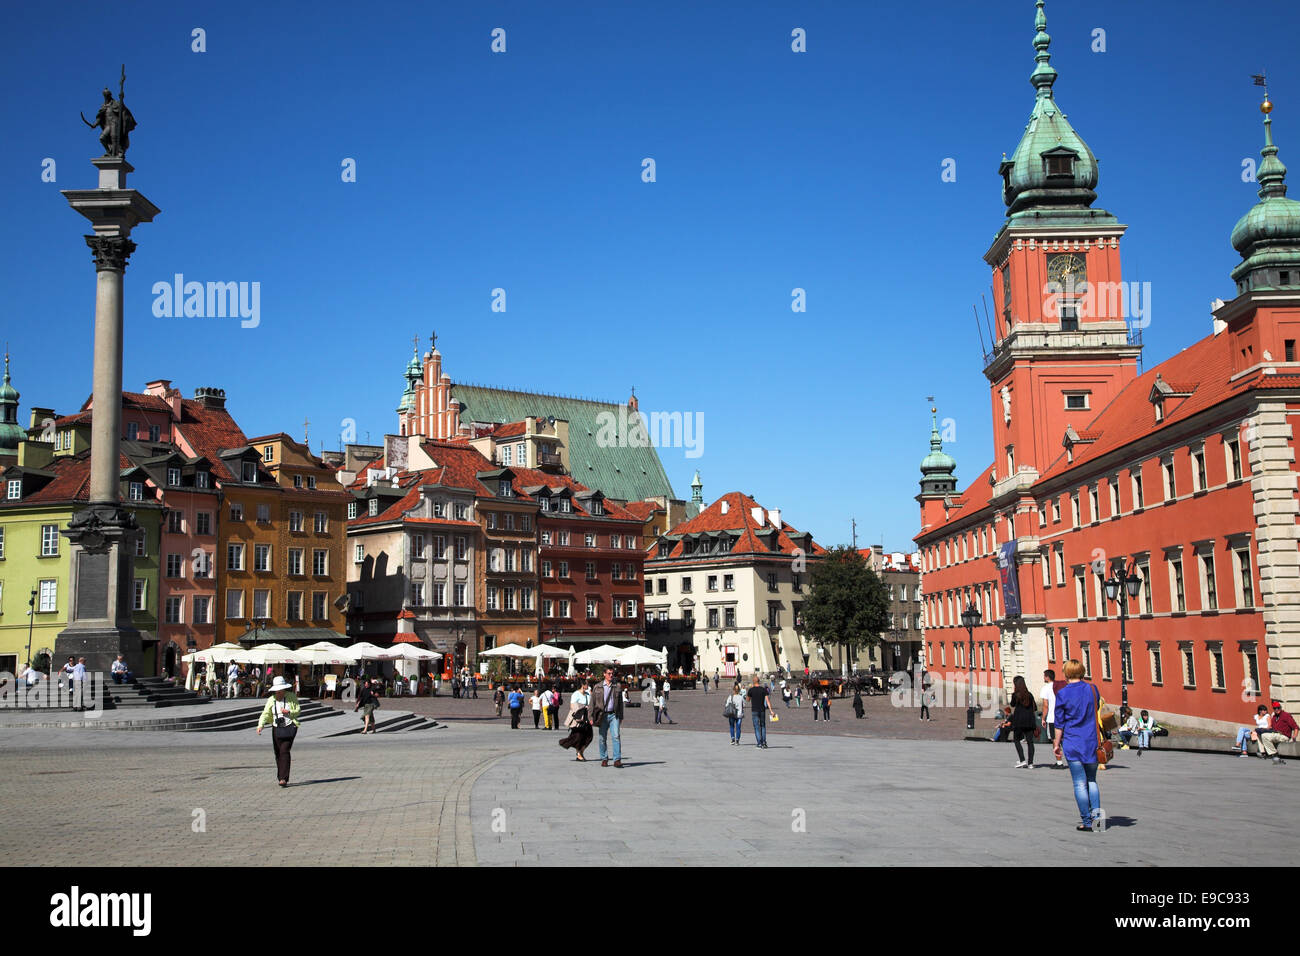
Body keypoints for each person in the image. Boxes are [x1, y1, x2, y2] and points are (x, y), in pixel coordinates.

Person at [1051, 659, 1104, 831]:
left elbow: (1059, 723)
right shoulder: (1092, 689)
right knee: (1092, 781)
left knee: (1079, 783)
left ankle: (1087, 821)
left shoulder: (1063, 694)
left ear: (1066, 673)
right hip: (1091, 741)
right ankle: (1098, 820)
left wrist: (1056, 744)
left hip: (1073, 742)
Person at [256, 675, 301, 787]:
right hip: (277, 727)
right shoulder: (271, 700)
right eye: (277, 691)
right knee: (278, 752)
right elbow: (265, 713)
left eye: (281, 691)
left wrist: (289, 712)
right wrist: (260, 725)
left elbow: (298, 710)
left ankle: (283, 778)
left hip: (290, 726)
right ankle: (280, 775)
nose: (279, 693)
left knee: (284, 750)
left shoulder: (291, 696)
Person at [589, 667, 625, 767]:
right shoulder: (597, 687)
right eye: (609, 673)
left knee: (616, 736)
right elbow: (592, 703)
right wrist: (590, 717)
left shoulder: (617, 686)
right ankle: (604, 758)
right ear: (604, 674)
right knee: (602, 738)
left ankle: (617, 760)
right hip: (602, 715)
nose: (611, 675)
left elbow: (620, 703)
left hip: (614, 715)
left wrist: (621, 716)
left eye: (612, 673)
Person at [559, 680, 593, 760]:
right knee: (579, 736)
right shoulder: (576, 694)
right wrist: (583, 707)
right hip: (579, 719)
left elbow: (591, 705)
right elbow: (572, 706)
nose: (588, 686)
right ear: (583, 685)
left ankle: (581, 752)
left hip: (587, 718)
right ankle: (579, 754)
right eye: (587, 684)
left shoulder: (588, 694)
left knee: (589, 736)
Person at [1010, 676, 1038, 768]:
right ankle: (1031, 763)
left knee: (1016, 740)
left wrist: (1013, 694)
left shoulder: (1016, 695)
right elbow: (1035, 708)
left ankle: (1022, 760)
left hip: (1019, 720)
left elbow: (1012, 704)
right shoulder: (1029, 694)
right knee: (1030, 742)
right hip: (1030, 720)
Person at [1040, 669, 1063, 767]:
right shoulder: (1060, 686)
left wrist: (1043, 718)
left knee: (1055, 740)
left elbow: (1046, 705)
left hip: (1052, 717)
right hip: (1062, 716)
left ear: (1047, 677)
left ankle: (1059, 762)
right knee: (1064, 739)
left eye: (1044, 676)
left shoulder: (1046, 688)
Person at [747, 674, 774, 748]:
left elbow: (748, 700)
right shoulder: (763, 689)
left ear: (753, 681)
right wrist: (771, 711)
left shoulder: (751, 690)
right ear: (759, 681)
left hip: (754, 710)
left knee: (756, 726)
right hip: (762, 710)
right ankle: (764, 742)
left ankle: (759, 743)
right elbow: (767, 701)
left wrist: (748, 693)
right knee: (763, 726)